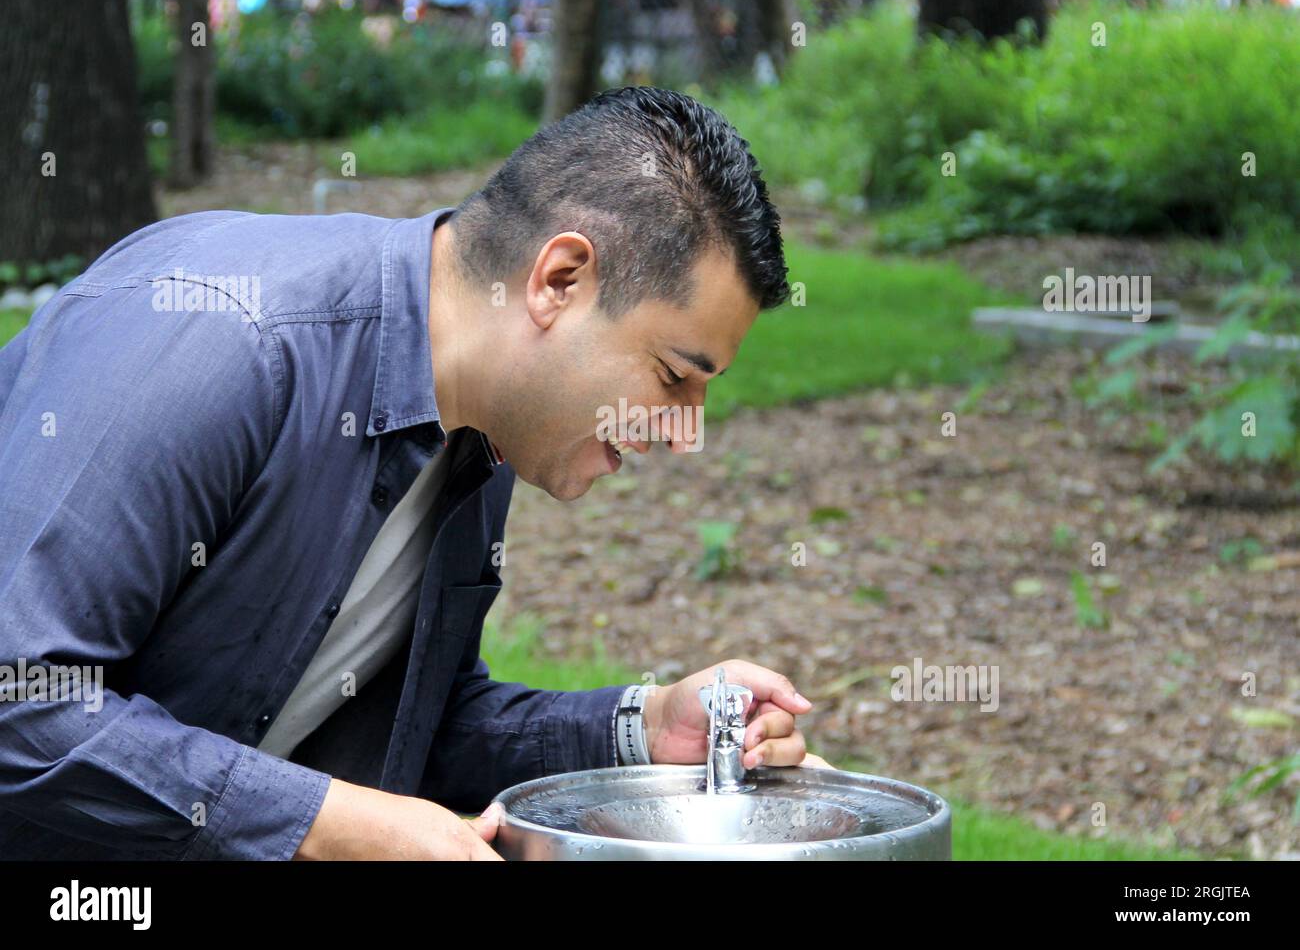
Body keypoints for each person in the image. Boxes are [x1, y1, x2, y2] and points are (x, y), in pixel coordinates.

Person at [0, 86, 827, 861]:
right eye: (674, 376)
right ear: (559, 281)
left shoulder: (486, 434)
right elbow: (19, 696)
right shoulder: (226, 340)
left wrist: (642, 730)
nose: (687, 432)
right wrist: (327, 825)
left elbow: (404, 719)